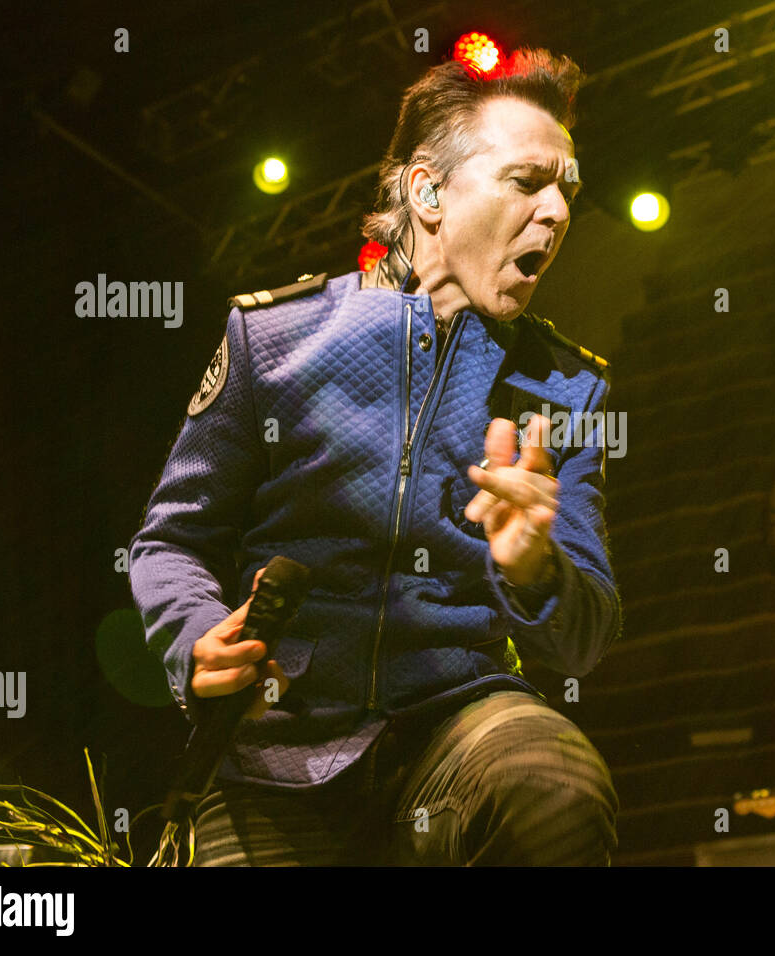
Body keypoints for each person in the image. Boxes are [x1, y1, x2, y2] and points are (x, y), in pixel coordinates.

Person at [128, 48, 621, 866]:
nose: (559, 209)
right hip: (274, 749)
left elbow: (587, 636)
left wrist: (536, 567)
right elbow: (169, 543)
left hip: (462, 727)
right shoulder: (275, 339)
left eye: (568, 185)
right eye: (528, 181)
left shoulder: (566, 392)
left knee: (554, 781)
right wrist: (196, 639)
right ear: (428, 191)